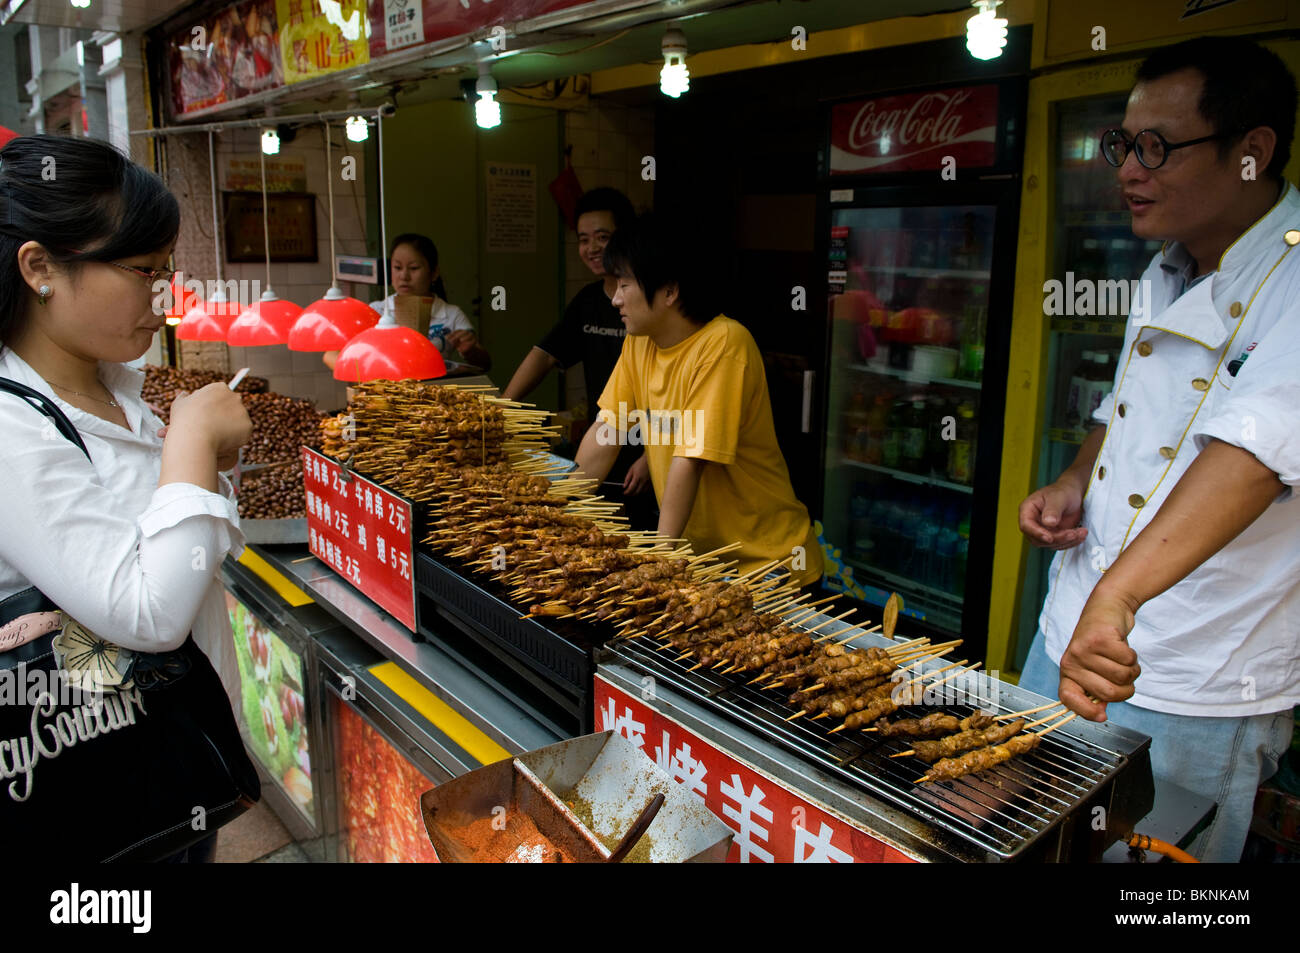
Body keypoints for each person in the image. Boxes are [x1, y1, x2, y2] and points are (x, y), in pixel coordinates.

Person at [1016, 36, 1300, 862]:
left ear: (1252, 153)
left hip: (1190, 676)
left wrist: (1118, 596)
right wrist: (1076, 475)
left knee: (1150, 882)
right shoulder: (1167, 265)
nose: (1128, 170)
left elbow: (1250, 454)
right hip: (1073, 632)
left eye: (1156, 147)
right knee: (1038, 843)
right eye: (1123, 145)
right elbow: (1125, 404)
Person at [0, 135, 253, 860]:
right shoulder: (10, 425)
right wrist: (194, 441)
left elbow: (163, 542)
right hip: (86, 786)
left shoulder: (115, 386)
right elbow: (147, 611)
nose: (164, 294)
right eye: (146, 270)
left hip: (165, 754)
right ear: (40, 267)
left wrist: (205, 466)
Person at [574, 214, 823, 586]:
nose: (615, 299)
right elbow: (608, 429)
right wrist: (562, 510)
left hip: (766, 566)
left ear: (670, 292)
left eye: (625, 284)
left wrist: (659, 561)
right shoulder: (640, 341)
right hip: (706, 565)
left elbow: (690, 459)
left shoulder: (724, 344)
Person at [504, 188, 653, 525]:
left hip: (652, 451)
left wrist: (652, 456)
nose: (592, 248)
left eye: (603, 237)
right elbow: (545, 354)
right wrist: (503, 408)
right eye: (584, 239)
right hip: (603, 444)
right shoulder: (588, 301)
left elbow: (689, 420)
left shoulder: (659, 324)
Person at [323, 232, 490, 370]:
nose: (404, 276)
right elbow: (330, 355)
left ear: (434, 272)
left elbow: (484, 364)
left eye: (414, 268)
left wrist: (471, 351)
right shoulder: (377, 312)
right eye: (397, 268)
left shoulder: (451, 315)